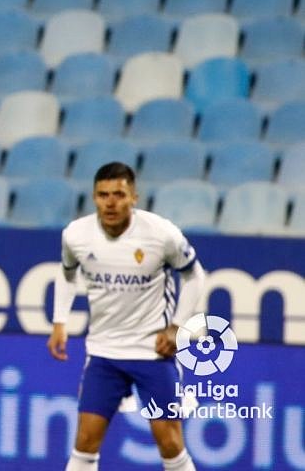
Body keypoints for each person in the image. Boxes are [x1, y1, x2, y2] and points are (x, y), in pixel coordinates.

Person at [47, 162, 206, 471]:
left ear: (134, 197)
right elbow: (66, 274)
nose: (110, 202)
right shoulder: (76, 235)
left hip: (153, 353)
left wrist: (176, 328)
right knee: (85, 442)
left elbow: (194, 276)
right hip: (104, 353)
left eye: (119, 194)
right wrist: (59, 322)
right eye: (103, 195)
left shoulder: (161, 234)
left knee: (170, 443)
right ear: (94, 197)